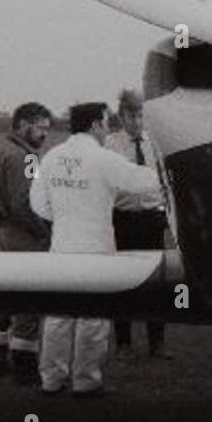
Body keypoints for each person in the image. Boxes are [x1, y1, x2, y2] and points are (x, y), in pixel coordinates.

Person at [30, 102, 162, 396]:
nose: (107, 129)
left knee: (58, 315)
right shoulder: (103, 159)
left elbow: (38, 203)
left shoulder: (52, 156)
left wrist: (66, 218)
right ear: (93, 126)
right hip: (96, 248)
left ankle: (51, 380)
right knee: (92, 316)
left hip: (62, 246)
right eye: (105, 123)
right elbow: (144, 182)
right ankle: (86, 382)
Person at [0, 102, 53, 381]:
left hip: (4, 230)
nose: (45, 134)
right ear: (24, 124)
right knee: (28, 295)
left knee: (7, 291)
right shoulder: (26, 158)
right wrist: (43, 233)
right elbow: (25, 204)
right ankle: (24, 364)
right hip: (23, 234)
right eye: (42, 128)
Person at [105, 89, 172, 360]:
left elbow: (166, 178)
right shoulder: (110, 144)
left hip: (152, 219)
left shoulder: (154, 142)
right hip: (123, 219)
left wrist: (167, 214)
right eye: (132, 115)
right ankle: (123, 344)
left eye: (141, 114)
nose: (137, 121)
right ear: (121, 116)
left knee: (156, 281)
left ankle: (158, 342)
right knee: (122, 281)